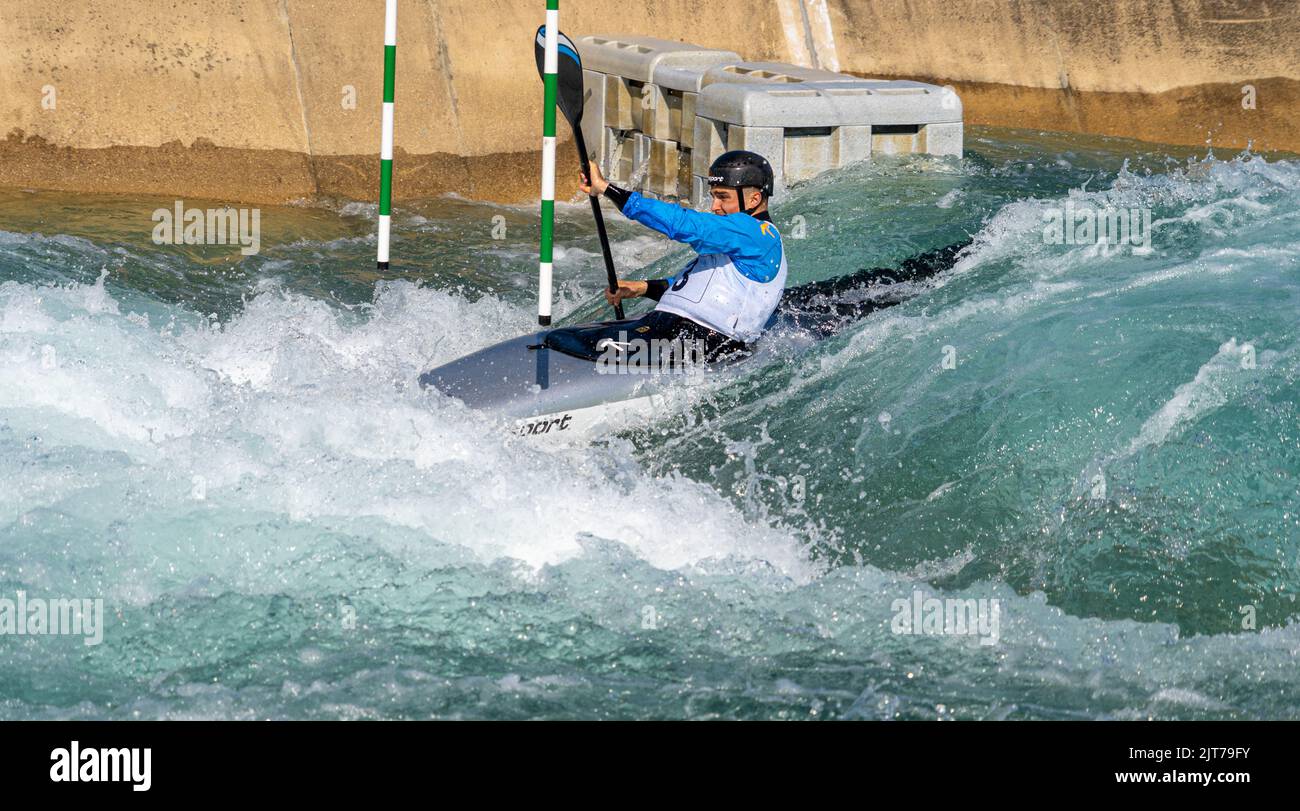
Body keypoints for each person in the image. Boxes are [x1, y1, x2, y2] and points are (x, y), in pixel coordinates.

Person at [577, 150, 787, 362]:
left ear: (754, 199)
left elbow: (684, 223)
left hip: (705, 339)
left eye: (723, 197)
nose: (715, 206)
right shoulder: (737, 243)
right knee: (569, 338)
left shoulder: (757, 233)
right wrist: (642, 288)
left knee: (573, 343)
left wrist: (605, 188)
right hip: (673, 328)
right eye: (713, 196)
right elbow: (695, 290)